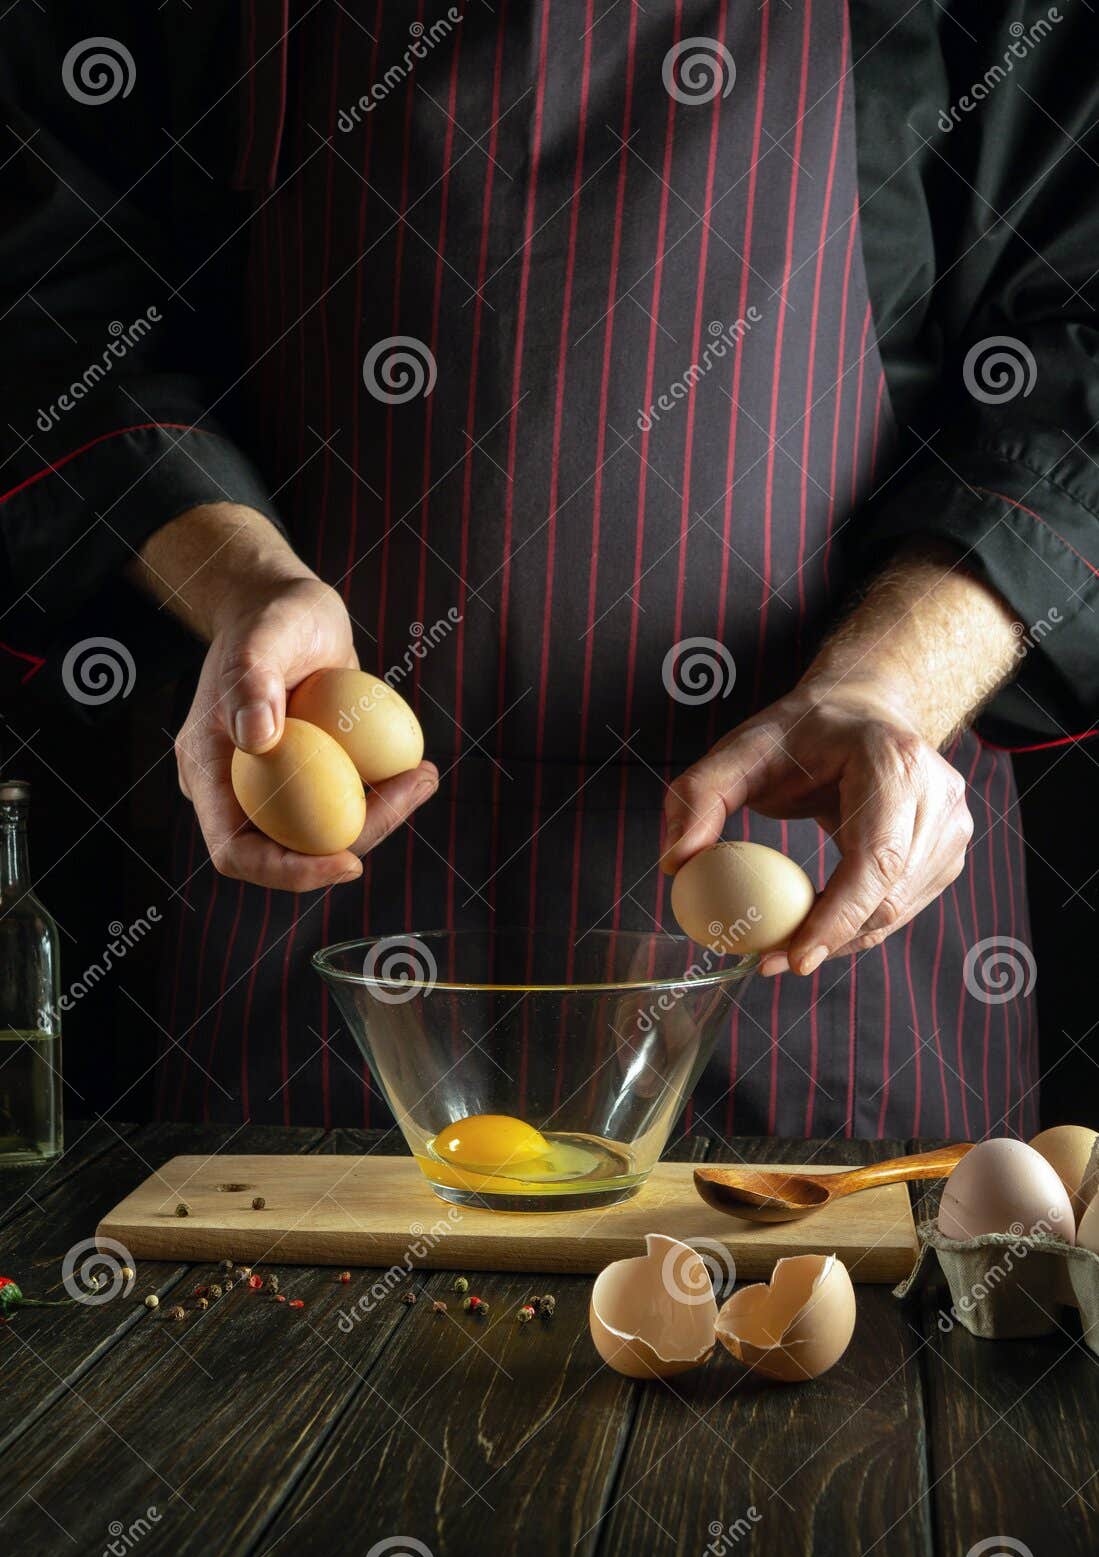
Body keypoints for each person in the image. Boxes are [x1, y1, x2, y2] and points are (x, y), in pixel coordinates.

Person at [1, 3, 1096, 1139]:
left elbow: (1076, 345)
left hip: (808, 889)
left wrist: (885, 690)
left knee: (803, 1309)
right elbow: (49, 287)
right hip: (309, 887)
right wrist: (241, 582)